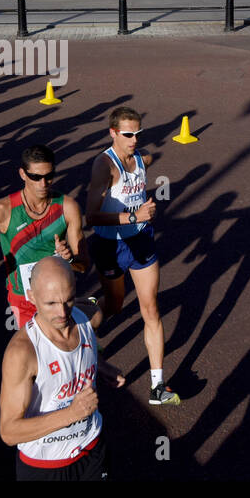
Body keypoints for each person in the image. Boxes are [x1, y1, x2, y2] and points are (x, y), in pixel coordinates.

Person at [0, 257, 125, 480]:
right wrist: (71, 414)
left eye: (68, 300)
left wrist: (102, 367)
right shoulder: (22, 353)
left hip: (91, 448)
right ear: (31, 297)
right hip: (45, 466)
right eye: (51, 304)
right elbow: (9, 432)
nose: (63, 313)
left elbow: (81, 353)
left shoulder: (87, 317)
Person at [84, 106, 179, 405]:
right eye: (127, 134)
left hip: (141, 241)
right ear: (113, 132)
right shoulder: (104, 166)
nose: (134, 139)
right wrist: (133, 215)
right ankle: (85, 323)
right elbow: (90, 217)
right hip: (111, 246)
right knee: (114, 304)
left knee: (151, 309)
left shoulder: (140, 156)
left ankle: (157, 386)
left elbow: (147, 157)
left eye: (137, 133)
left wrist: (142, 216)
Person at [0, 144, 89, 330]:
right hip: (23, 298)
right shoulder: (3, 210)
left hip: (59, 299)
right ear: (23, 174)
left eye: (49, 176)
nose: (43, 183)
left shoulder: (67, 207)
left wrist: (69, 258)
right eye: (36, 177)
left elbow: (83, 265)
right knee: (31, 353)